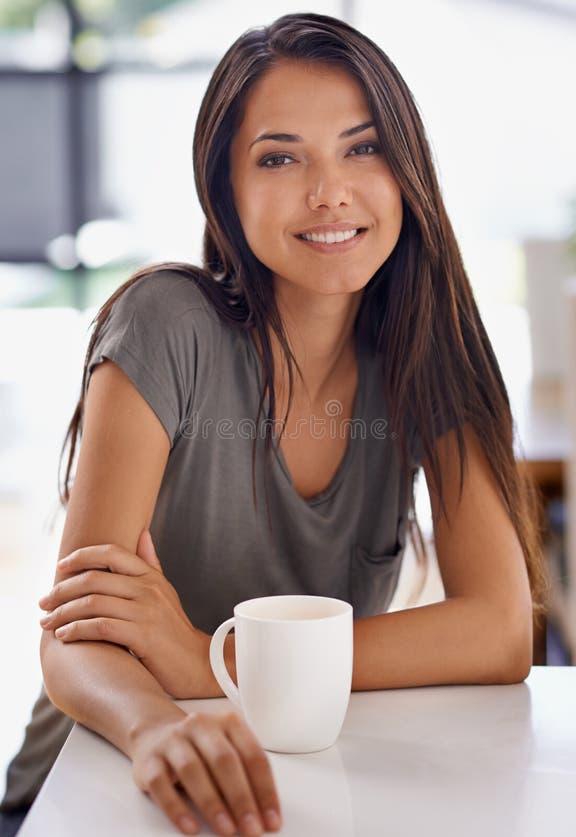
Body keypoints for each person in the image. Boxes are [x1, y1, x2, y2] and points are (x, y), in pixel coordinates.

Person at [1, 11, 548, 837]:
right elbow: (76, 634)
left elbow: (500, 630)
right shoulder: (166, 324)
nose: (329, 191)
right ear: (225, 190)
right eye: (280, 158)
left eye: (363, 148)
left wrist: (214, 662)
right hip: (90, 791)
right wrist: (160, 727)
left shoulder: (429, 350)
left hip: (302, 793)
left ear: (406, 169)